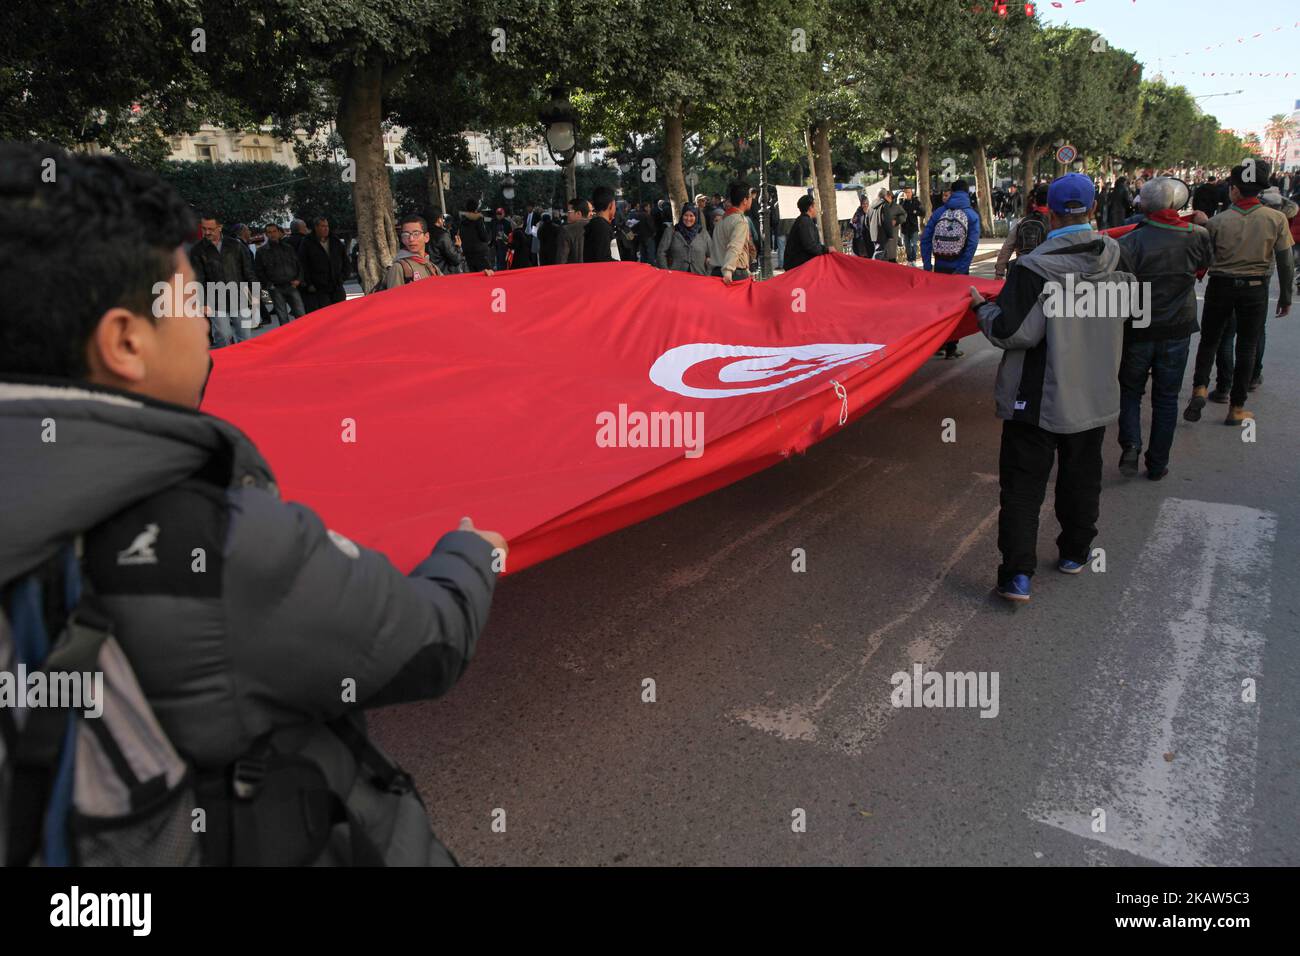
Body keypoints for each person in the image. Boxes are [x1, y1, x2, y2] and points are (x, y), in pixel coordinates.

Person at [0, 142, 506, 866]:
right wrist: (471, 552)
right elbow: (423, 641)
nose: (205, 318)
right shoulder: (215, 545)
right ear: (124, 341)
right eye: (186, 300)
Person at [967, 173, 1136, 603]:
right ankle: (1075, 553)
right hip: (1094, 392)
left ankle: (1017, 576)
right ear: (1094, 210)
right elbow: (1132, 316)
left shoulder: (1033, 268)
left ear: (1051, 212)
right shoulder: (1118, 257)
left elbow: (1012, 333)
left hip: (1037, 398)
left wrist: (982, 310)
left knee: (1024, 486)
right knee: (1082, 475)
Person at [1114, 178, 1214, 480]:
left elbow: (1120, 285)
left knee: (1130, 391)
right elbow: (1201, 270)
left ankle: (1130, 443)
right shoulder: (1197, 235)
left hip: (1138, 326)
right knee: (1167, 398)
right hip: (1178, 326)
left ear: (1143, 205)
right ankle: (1157, 464)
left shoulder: (1129, 241)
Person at [1184, 160, 1294, 426]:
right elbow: (1286, 261)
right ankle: (1236, 408)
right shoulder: (1276, 219)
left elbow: (1202, 262)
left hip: (1220, 287)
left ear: (1233, 190)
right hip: (1255, 290)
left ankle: (1199, 388)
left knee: (1210, 340)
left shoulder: (1218, 222)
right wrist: (1286, 297)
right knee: (1247, 346)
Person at [922, 179, 981, 358]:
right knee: (957, 309)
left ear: (952, 192)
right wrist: (962, 268)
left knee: (939, 307)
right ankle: (951, 347)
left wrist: (927, 265)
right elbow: (971, 245)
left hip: (940, 265)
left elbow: (925, 239)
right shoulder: (971, 215)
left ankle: (938, 343)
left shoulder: (940, 212)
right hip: (959, 269)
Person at [189, 211, 259, 347]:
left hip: (239, 297)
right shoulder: (197, 250)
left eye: (211, 229)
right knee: (223, 335)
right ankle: (228, 364)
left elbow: (248, 270)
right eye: (204, 228)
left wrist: (255, 292)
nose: (207, 232)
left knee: (245, 336)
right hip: (214, 300)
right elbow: (198, 278)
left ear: (220, 227)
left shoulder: (236, 245)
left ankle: (247, 364)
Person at [995, 184, 1050, 279]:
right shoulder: (1055, 222)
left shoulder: (1023, 221)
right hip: (1045, 273)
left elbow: (1007, 246)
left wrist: (999, 272)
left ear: (1035, 201)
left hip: (1022, 270)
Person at [255, 223, 306, 326]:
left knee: (301, 315)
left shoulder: (288, 248)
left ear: (279, 233)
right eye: (269, 232)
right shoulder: (261, 251)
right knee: (283, 318)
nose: (272, 234)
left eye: (274, 231)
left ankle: (304, 337)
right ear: (266, 234)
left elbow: (298, 265)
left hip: (291, 284)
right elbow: (259, 271)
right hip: (276, 287)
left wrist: (298, 280)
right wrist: (269, 285)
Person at [376, 215, 442, 291]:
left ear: (426, 237)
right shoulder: (399, 268)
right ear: (402, 239)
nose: (411, 239)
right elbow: (395, 300)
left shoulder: (433, 268)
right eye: (406, 235)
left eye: (416, 234)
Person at [709, 181, 756, 284]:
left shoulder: (721, 220)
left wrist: (747, 270)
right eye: (750, 197)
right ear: (745, 200)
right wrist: (728, 270)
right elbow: (735, 246)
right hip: (733, 274)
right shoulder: (740, 221)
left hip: (717, 272)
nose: (752, 200)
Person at [297, 217, 347, 313]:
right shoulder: (307, 242)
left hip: (336, 283)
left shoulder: (335, 241)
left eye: (327, 226)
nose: (326, 228)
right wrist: (309, 283)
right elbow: (303, 264)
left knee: (342, 310)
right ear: (316, 228)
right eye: (323, 226)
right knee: (326, 312)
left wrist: (343, 276)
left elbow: (344, 259)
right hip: (320, 286)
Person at [781, 194, 832, 272]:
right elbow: (810, 245)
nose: (817, 209)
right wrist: (826, 250)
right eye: (815, 206)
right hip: (797, 266)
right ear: (810, 208)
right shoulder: (804, 222)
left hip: (798, 264)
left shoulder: (804, 220)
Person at [656, 204, 710, 274]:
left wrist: (708, 273)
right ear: (682, 216)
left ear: (696, 217)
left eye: (691, 216)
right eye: (686, 215)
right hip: (676, 276)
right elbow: (661, 253)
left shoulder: (703, 233)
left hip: (699, 276)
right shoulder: (671, 231)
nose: (688, 218)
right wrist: (666, 271)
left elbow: (711, 255)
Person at [583, 187, 618, 263]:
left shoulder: (597, 224)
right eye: (615, 204)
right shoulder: (601, 227)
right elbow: (603, 259)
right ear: (611, 205)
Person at [457, 201, 492, 272]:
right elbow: (484, 237)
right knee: (486, 275)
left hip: (468, 253)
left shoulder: (462, 222)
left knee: (475, 276)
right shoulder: (478, 220)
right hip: (480, 253)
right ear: (476, 209)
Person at [555, 197, 589, 264]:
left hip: (573, 272)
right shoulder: (596, 228)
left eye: (569, 211)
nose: (567, 214)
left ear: (578, 213)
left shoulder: (566, 230)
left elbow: (561, 259)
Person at [900, 186, 924, 266]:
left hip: (913, 227)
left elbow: (923, 213)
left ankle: (913, 259)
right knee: (907, 245)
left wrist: (915, 212)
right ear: (904, 193)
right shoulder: (901, 202)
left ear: (911, 193)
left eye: (909, 192)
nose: (907, 194)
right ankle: (909, 259)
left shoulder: (916, 201)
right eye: (906, 192)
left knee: (914, 244)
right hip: (904, 227)